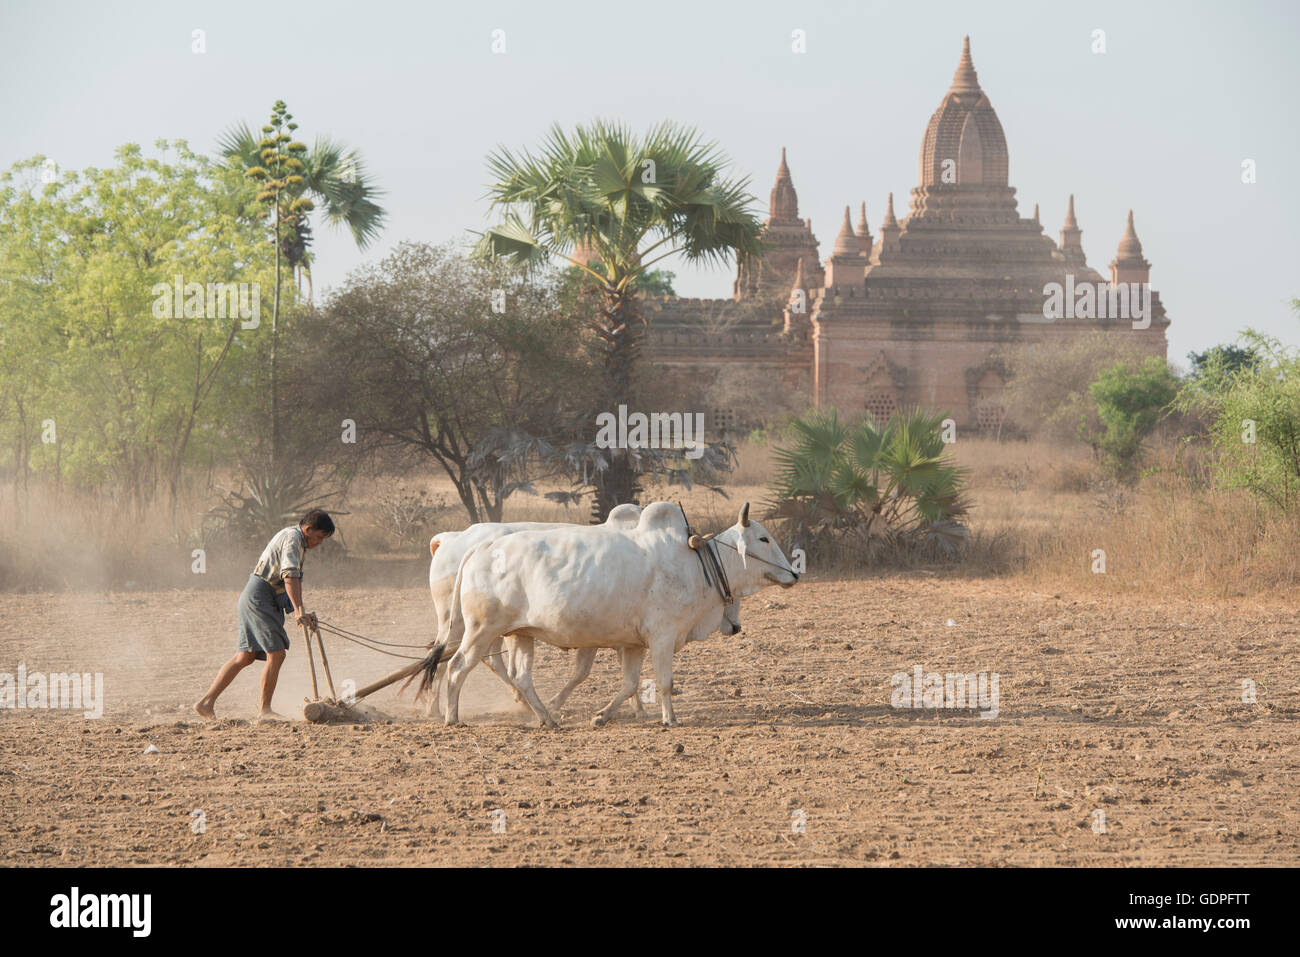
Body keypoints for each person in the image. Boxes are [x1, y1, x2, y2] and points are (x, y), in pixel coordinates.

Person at [194, 508, 335, 721]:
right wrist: (299, 611)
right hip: (259, 598)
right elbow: (289, 577)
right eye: (318, 538)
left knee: (245, 656)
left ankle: (206, 703)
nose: (319, 543)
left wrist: (302, 610)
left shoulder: (294, 537)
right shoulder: (293, 540)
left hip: (256, 597)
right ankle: (264, 710)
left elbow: (287, 579)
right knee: (276, 654)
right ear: (308, 529)